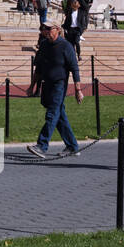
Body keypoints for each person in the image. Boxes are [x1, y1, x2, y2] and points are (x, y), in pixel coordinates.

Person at [26, 24, 82, 158]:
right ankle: (72, 146)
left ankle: (42, 145)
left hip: (59, 85)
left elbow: (74, 69)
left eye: (49, 28)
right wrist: (32, 86)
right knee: (59, 116)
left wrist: (77, 89)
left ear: (58, 29)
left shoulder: (66, 46)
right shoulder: (44, 45)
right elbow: (38, 69)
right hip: (47, 84)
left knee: (52, 114)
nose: (46, 31)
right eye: (44, 29)